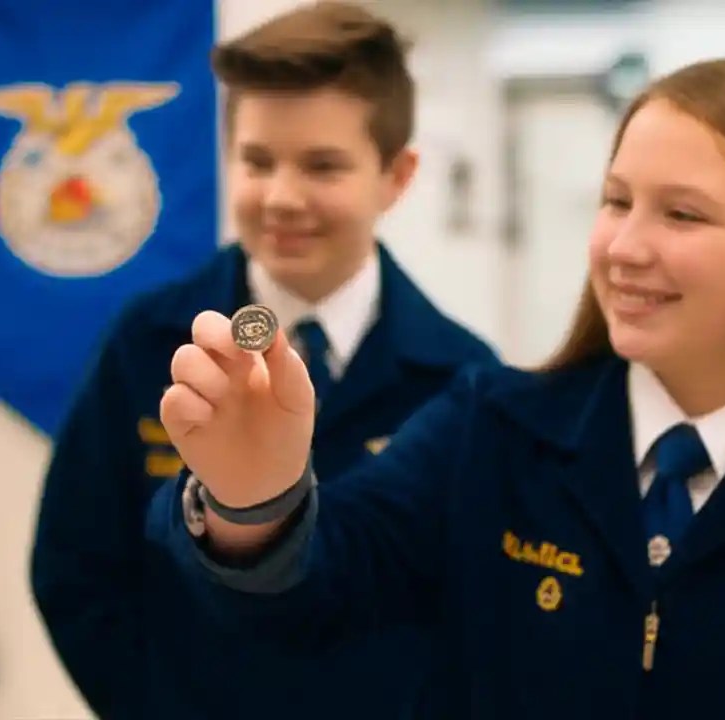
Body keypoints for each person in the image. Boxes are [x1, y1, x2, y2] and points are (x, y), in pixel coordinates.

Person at [150, 54, 725, 719]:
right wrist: (256, 505)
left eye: (683, 214)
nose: (625, 247)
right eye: (616, 201)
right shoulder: (489, 428)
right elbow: (317, 588)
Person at [30, 3, 496, 718]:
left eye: (322, 165)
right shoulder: (148, 342)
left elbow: (470, 606)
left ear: (396, 177)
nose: (282, 196)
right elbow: (76, 566)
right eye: (257, 161)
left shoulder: (463, 378)